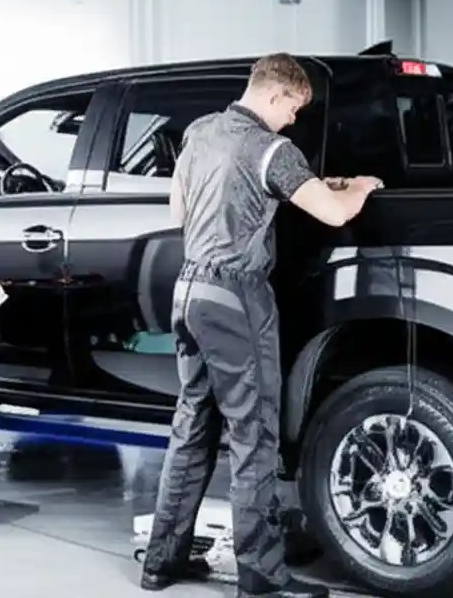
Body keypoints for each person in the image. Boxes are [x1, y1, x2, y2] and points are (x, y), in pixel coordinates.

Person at [139, 53, 382, 598]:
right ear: (276, 94)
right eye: (294, 108)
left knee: (192, 428)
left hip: (189, 290)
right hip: (236, 297)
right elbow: (334, 213)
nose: (294, 120)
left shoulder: (201, 131)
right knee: (254, 437)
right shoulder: (272, 148)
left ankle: (161, 564)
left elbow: (179, 211)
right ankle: (262, 575)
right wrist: (361, 186)